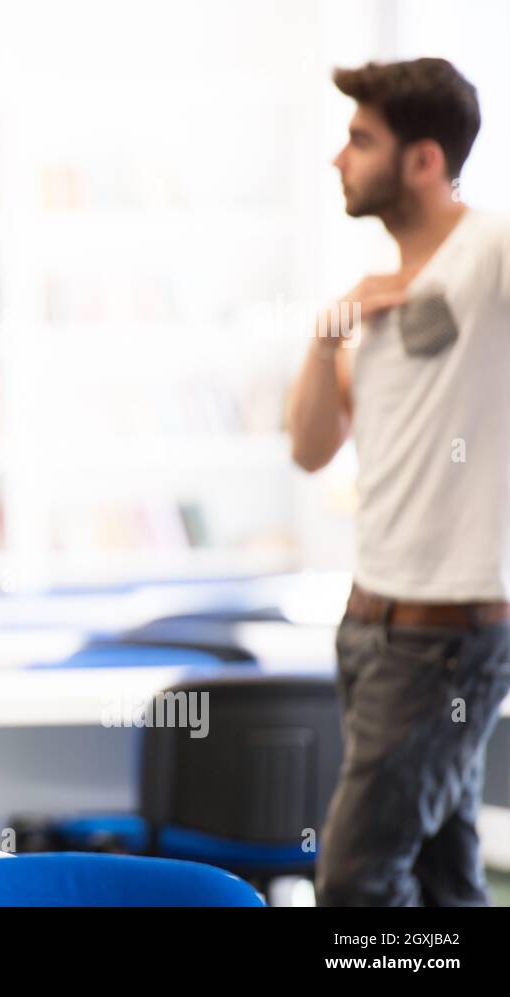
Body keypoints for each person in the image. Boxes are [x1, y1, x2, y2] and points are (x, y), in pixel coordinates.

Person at [287, 57, 510, 905]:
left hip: (444, 641)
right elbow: (309, 449)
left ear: (423, 160)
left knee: (353, 880)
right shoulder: (369, 305)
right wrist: (325, 335)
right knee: (443, 879)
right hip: (370, 630)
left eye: (360, 139)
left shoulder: (490, 250)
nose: (339, 159)